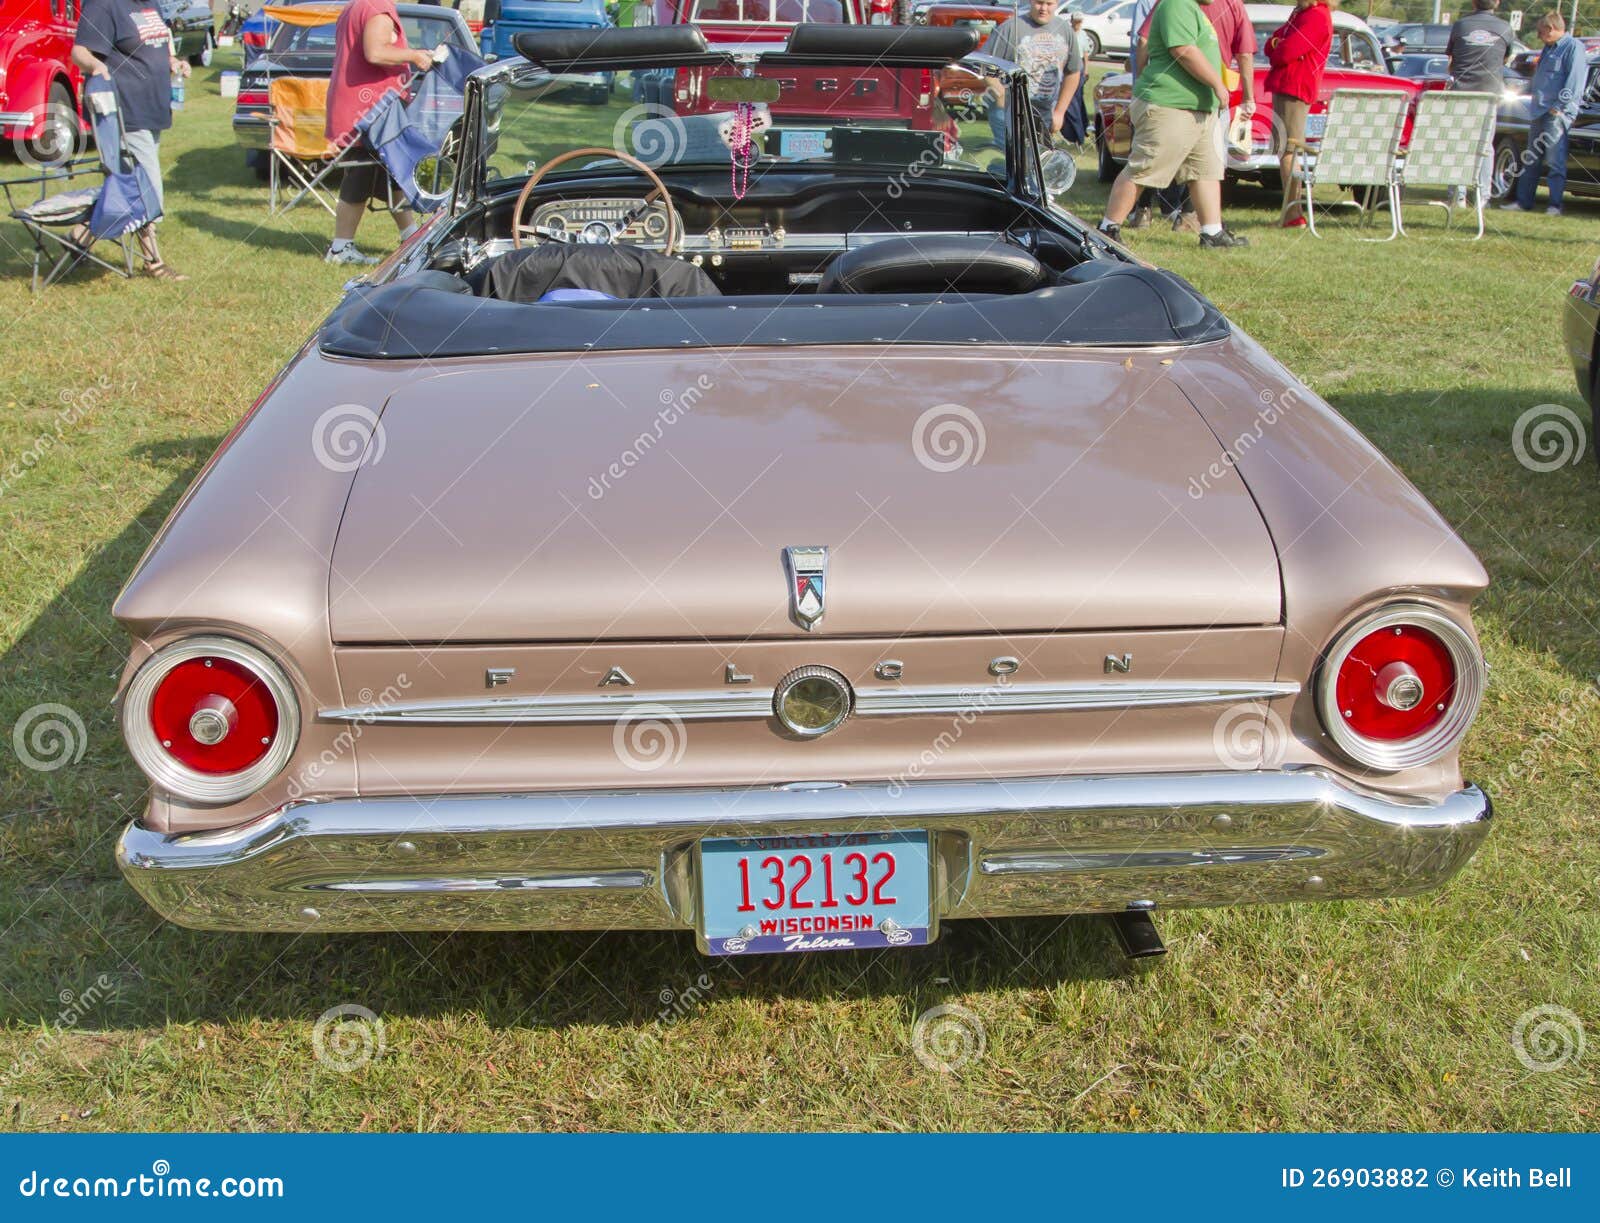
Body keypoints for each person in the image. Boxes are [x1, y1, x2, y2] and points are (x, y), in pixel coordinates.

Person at [1097, 0, 1248, 248]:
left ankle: (1212, 233)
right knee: (1145, 167)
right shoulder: (1176, 4)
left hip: (1197, 109)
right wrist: (1217, 84)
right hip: (1169, 106)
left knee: (1205, 171)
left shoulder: (1193, 8)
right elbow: (1184, 50)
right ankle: (1108, 230)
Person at [70, 0, 190, 281]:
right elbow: (79, 51)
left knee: (125, 183)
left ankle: (79, 239)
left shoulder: (152, 4)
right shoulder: (104, 5)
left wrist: (174, 63)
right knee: (145, 185)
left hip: (153, 108)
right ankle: (153, 261)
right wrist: (97, 67)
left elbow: (156, 47)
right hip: (124, 111)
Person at [324, 0, 438, 264]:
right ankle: (340, 249)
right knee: (361, 174)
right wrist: (415, 55)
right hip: (369, 110)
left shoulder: (358, 4)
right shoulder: (377, 6)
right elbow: (375, 52)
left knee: (392, 170)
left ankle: (410, 235)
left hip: (362, 107)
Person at [1133, 0, 1255, 232]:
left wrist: (1139, 79)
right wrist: (1248, 97)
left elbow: (1144, 41)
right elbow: (1245, 54)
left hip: (1176, 95)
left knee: (1154, 159)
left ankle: (1144, 212)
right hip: (1207, 97)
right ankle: (1190, 218)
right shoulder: (1233, 4)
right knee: (1204, 164)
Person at [1502, 11, 1587, 215]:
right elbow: (1540, 78)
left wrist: (1559, 107)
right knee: (1531, 159)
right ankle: (1523, 202)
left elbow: (1574, 82)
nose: (1539, 36)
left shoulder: (1573, 47)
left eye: (1541, 32)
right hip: (1538, 111)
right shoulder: (1548, 49)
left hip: (1556, 114)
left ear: (1551, 29)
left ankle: (1554, 205)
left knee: (1555, 161)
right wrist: (1521, 91)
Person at [1263, 0, 1332, 227]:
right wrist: (1277, 44)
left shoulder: (1316, 16)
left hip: (1295, 87)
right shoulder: (1302, 13)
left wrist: (1277, 45)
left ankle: (1293, 214)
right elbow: (1271, 44)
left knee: (1288, 149)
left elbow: (1285, 52)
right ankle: (1292, 211)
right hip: (1286, 86)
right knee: (1286, 149)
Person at [985, 0, 1082, 148]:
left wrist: (1060, 112)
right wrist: (1000, 94)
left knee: (1038, 166)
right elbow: (986, 66)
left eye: (1049, 4)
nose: (1043, 8)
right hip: (1010, 113)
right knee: (1007, 166)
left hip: (1044, 115)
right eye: (1039, 3)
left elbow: (1073, 73)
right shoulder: (1010, 28)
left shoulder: (1065, 30)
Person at [1446, 0, 1513, 204]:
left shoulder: (1461, 26)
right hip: (1489, 95)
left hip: (1462, 94)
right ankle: (1482, 196)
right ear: (1497, 3)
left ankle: (1457, 196)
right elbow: (1505, 59)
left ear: (1474, 2)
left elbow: (1451, 61)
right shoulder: (1505, 28)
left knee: (1460, 144)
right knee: (1485, 145)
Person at [1061, 11, 1091, 144]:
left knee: (1077, 100)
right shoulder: (1067, 32)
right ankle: (1076, 133)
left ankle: (1080, 130)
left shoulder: (1083, 34)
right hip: (1069, 66)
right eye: (1076, 21)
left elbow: (1085, 54)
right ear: (1072, 21)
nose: (1078, 24)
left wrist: (1086, 70)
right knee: (1072, 101)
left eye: (1080, 22)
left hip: (1079, 67)